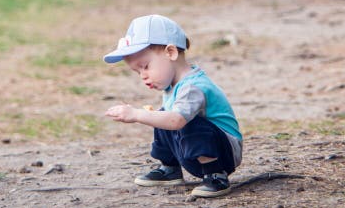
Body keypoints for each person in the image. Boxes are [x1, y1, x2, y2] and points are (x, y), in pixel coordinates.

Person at [103, 14, 242, 198]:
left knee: (177, 119)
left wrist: (136, 115)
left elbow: (176, 121)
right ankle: (170, 168)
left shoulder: (192, 87)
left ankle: (216, 175)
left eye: (145, 66)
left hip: (223, 154)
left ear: (171, 52)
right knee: (161, 116)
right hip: (196, 151)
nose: (143, 76)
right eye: (137, 71)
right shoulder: (171, 86)